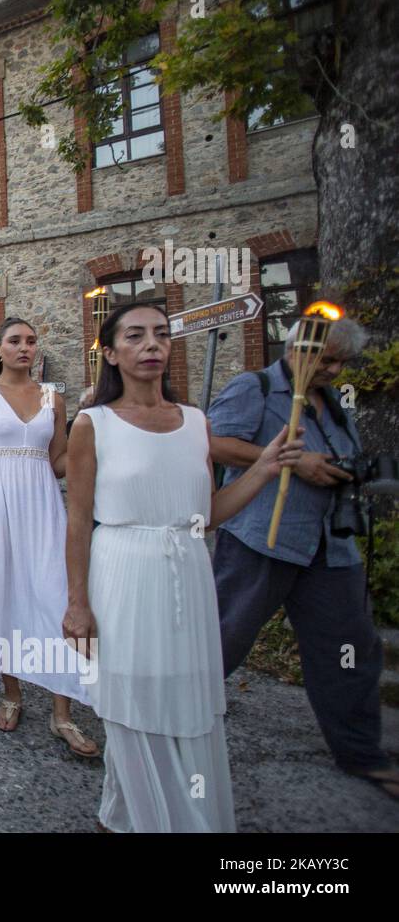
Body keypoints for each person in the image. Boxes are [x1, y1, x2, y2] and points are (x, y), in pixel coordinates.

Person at [62, 302, 303, 832]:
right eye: (135, 336)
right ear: (111, 352)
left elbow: (204, 516)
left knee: (186, 699)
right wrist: (77, 604)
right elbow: (78, 522)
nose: (151, 344)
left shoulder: (195, 422)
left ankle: (124, 812)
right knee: (132, 704)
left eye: (161, 335)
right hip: (122, 571)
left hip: (188, 573)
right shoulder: (92, 424)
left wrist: (262, 468)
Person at [209, 317, 398, 802]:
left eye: (341, 361)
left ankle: (361, 752)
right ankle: (170, 723)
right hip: (260, 538)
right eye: (327, 359)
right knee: (222, 638)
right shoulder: (256, 387)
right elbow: (213, 442)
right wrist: (290, 460)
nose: (335, 370)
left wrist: (342, 470)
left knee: (349, 648)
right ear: (300, 349)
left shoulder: (333, 403)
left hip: (328, 546)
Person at [0, 318, 97, 757]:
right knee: (5, 598)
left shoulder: (53, 397)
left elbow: (58, 461)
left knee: (57, 597)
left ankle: (63, 714)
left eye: (31, 341)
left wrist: (84, 429)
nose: (24, 347)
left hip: (42, 510)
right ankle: (12, 694)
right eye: (14, 341)